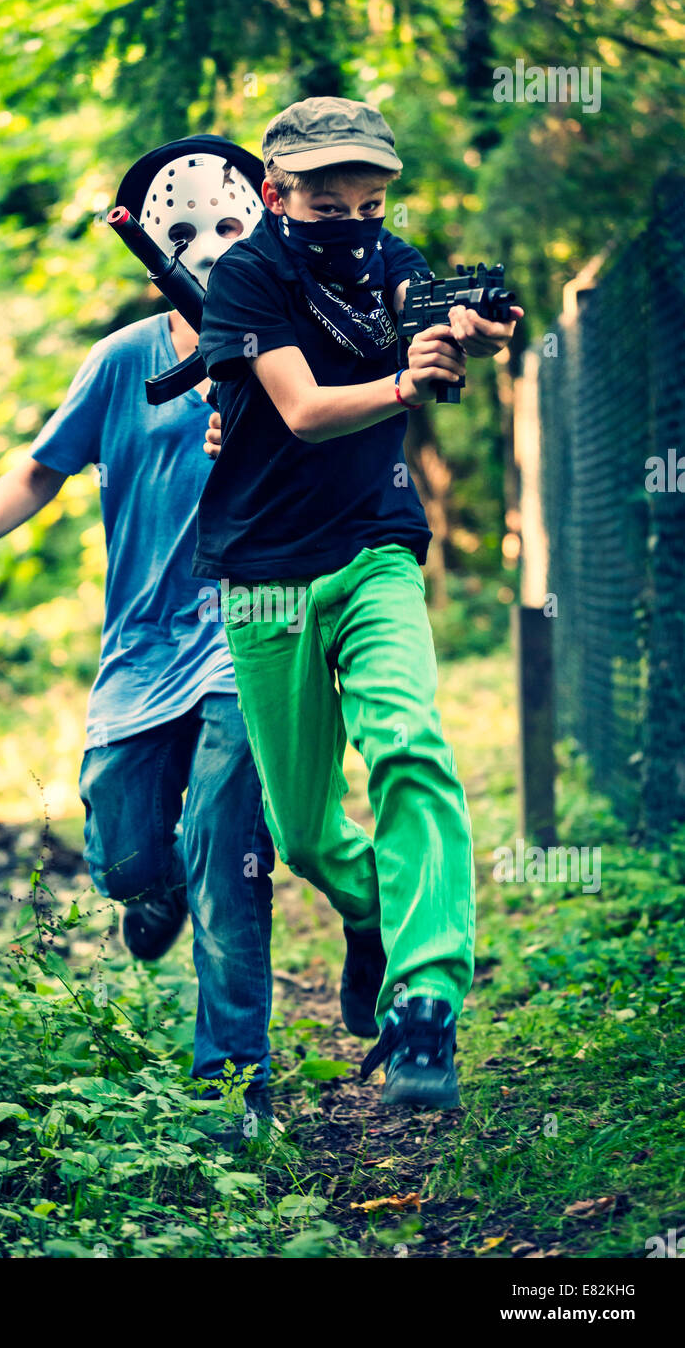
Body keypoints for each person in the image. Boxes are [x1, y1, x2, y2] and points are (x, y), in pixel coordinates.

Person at [0, 135, 277, 1131]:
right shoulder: (119, 362)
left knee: (222, 844)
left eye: (229, 225)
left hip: (250, 631)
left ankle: (235, 1079)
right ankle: (146, 896)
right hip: (140, 647)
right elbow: (43, 464)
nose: (207, 246)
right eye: (186, 230)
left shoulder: (286, 349)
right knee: (124, 849)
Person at [192, 97, 524, 1109]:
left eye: (370, 201)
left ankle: (423, 1004)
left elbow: (443, 328)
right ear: (272, 194)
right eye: (326, 204)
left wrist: (471, 329)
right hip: (262, 572)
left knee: (409, 745)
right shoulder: (247, 275)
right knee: (299, 833)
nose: (352, 220)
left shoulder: (396, 263)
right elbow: (297, 410)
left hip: (375, 549)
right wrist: (400, 387)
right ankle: (374, 913)